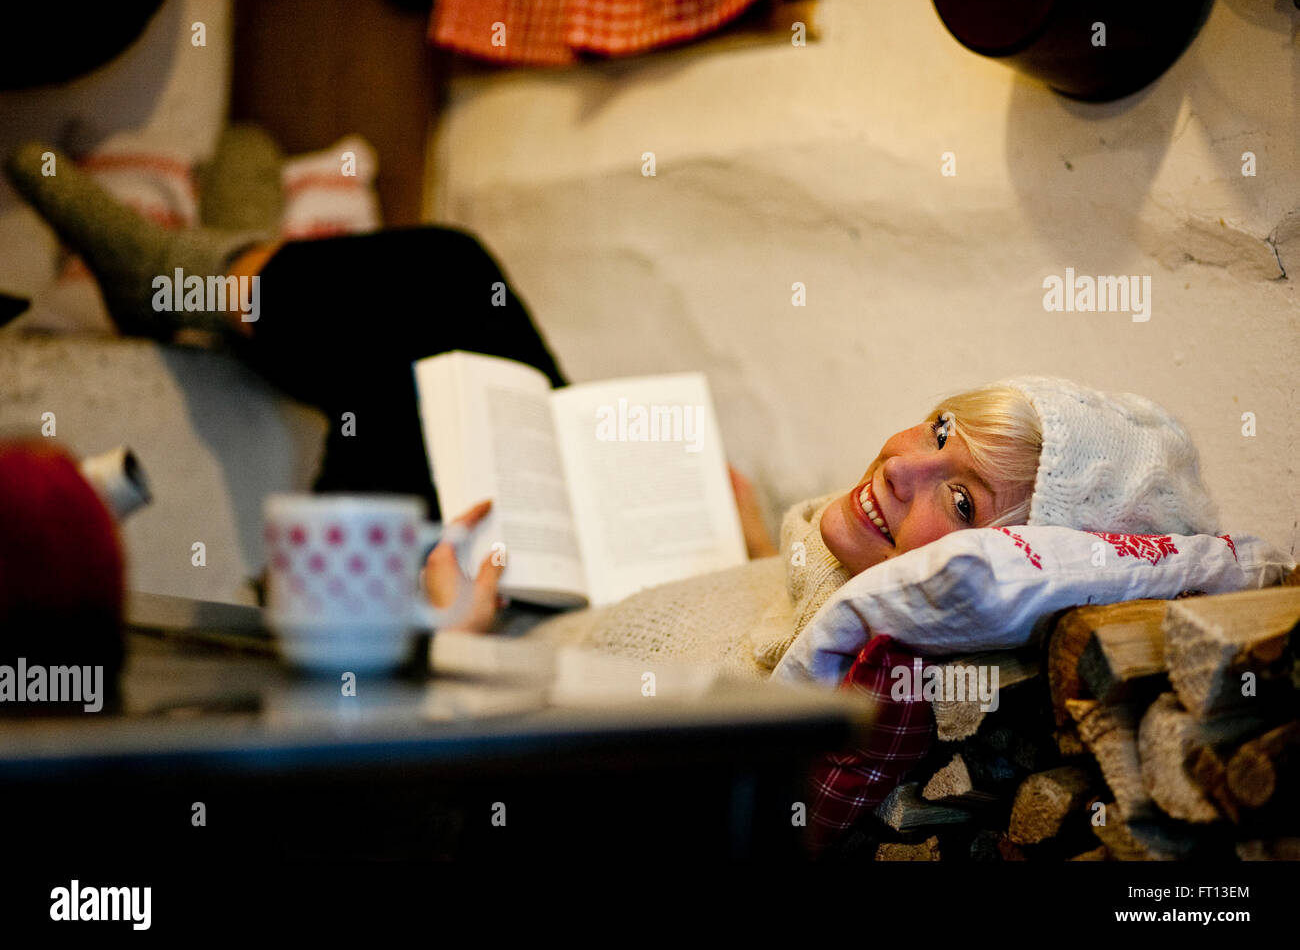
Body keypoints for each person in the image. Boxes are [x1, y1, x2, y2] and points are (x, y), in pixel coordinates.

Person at [3, 141, 1222, 855]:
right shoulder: (811, 565)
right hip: (562, 547)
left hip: (462, 628)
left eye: (959, 501)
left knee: (429, 296)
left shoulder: (819, 688)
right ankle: (224, 259)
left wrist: (451, 650)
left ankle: (192, 269)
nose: (904, 464)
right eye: (940, 429)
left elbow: (570, 793)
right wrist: (750, 535)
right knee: (449, 291)